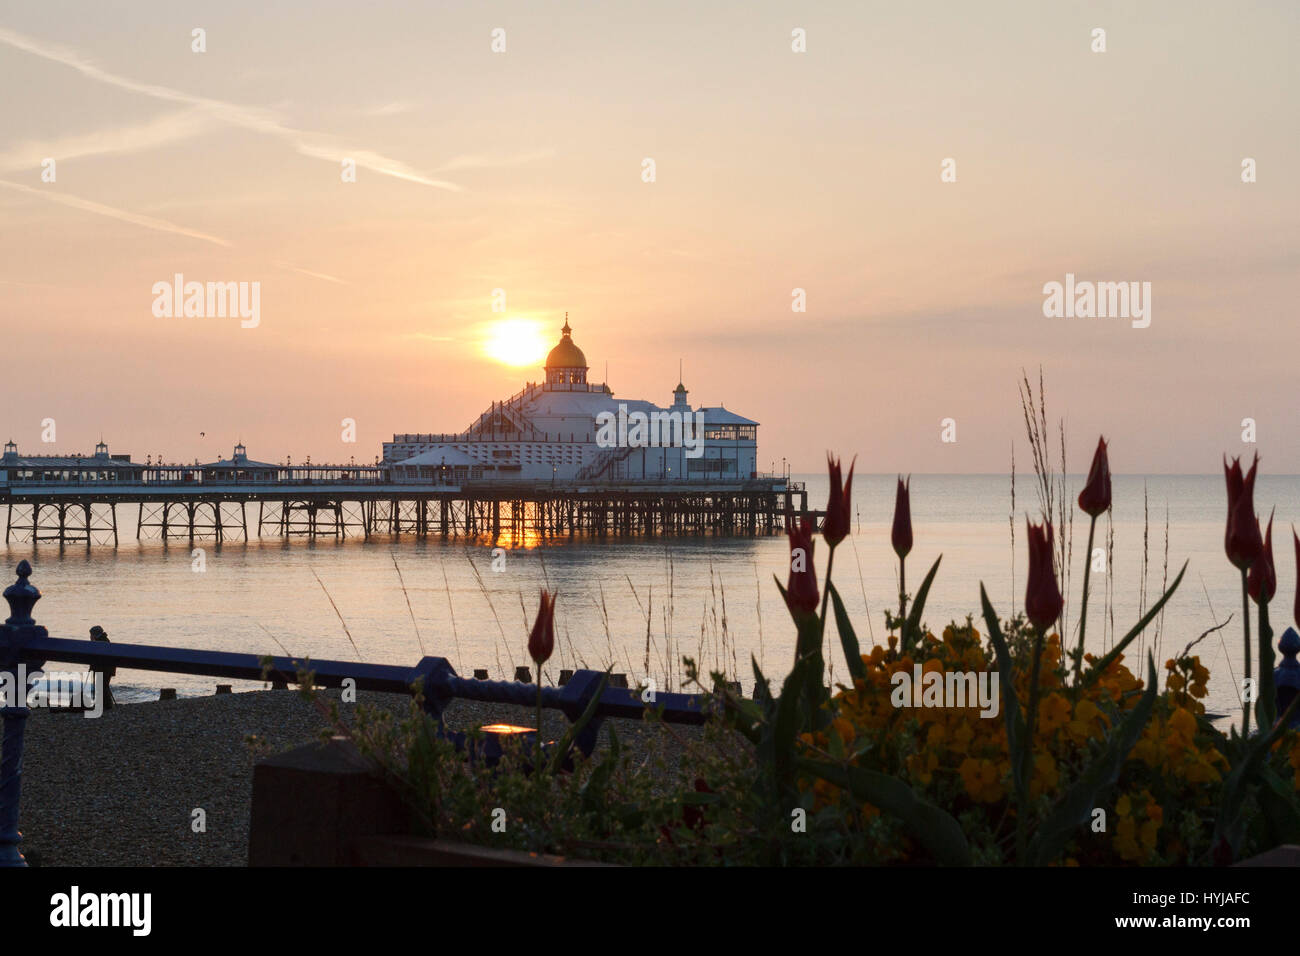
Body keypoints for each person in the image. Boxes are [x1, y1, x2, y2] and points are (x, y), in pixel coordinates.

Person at [89, 625, 115, 710]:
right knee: (103, 686)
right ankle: (106, 705)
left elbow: (97, 658)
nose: (90, 636)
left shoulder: (100, 643)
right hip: (106, 669)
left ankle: (106, 705)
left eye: (91, 634)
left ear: (95, 634)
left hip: (103, 669)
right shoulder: (104, 641)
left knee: (101, 687)